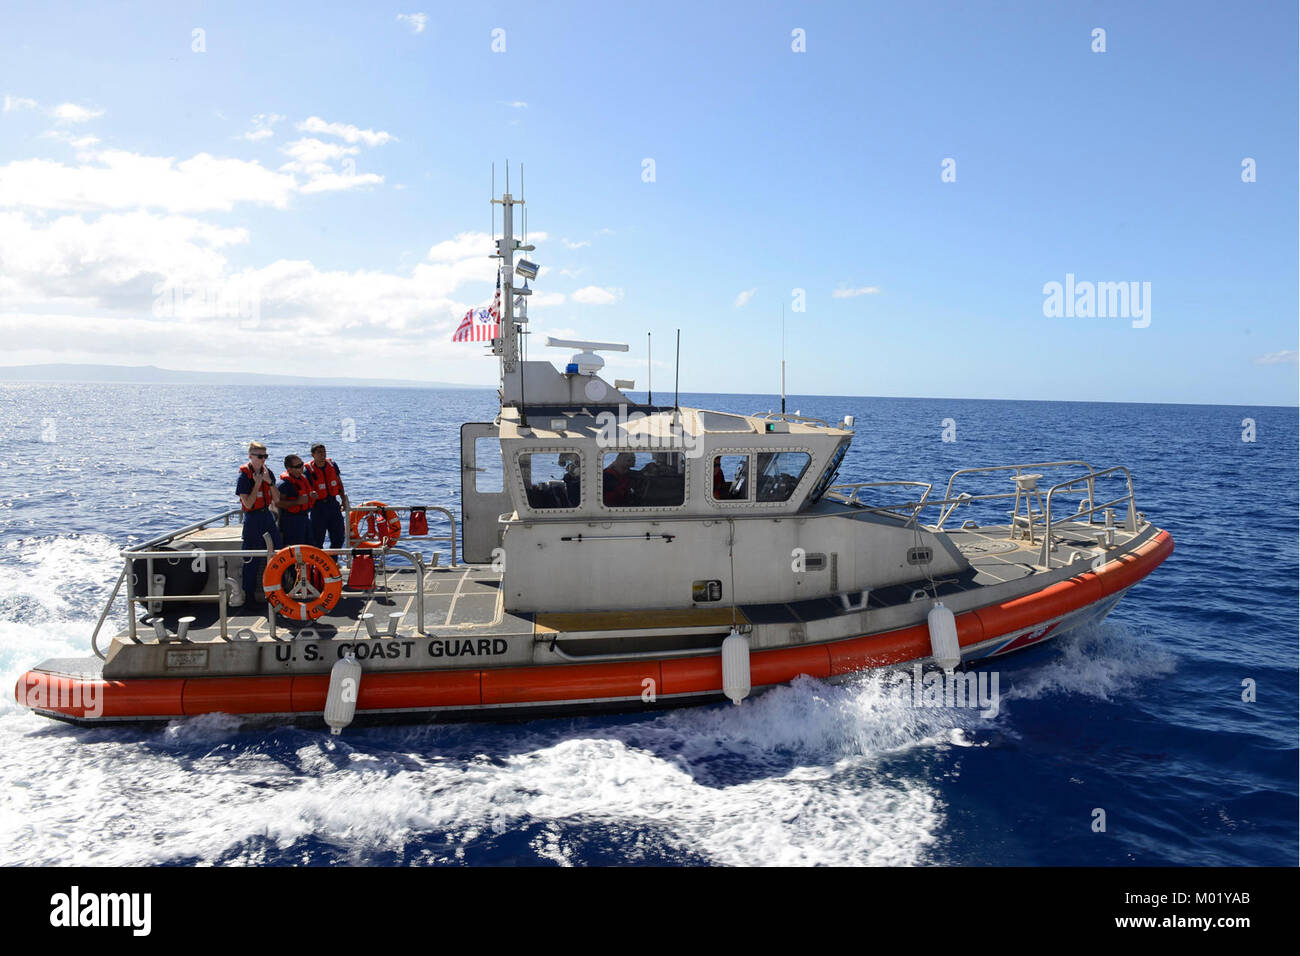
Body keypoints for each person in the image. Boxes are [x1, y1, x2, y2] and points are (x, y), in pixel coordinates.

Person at [235, 441, 282, 607]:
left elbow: (276, 499)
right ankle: (249, 597)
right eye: (259, 456)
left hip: (266, 516)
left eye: (265, 456)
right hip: (252, 519)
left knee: (278, 550)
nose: (263, 459)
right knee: (251, 558)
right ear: (251, 456)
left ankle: (278, 590)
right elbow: (247, 503)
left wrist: (269, 482)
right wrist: (257, 484)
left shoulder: (268, 473)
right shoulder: (243, 477)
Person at [305, 442, 349, 549]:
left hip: (333, 505)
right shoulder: (308, 471)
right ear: (313, 455)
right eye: (319, 453)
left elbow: (338, 483)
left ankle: (332, 562)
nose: (322, 455)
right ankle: (317, 565)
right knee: (317, 539)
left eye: (324, 452)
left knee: (339, 537)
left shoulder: (332, 465)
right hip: (318, 508)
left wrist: (343, 499)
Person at [277, 454, 316, 546]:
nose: (302, 468)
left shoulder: (303, 479)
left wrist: (312, 496)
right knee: (295, 548)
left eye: (302, 464)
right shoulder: (284, 484)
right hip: (291, 521)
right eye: (298, 466)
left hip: (304, 518)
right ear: (289, 469)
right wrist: (297, 502)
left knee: (309, 546)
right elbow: (278, 503)